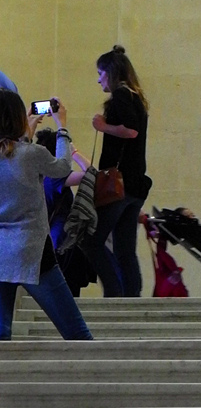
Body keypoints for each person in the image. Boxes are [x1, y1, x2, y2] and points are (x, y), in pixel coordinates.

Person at [0, 90, 91, 340]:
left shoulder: (22, 153)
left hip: (1, 252)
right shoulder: (31, 154)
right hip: (32, 249)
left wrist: (25, 132)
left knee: (1, 334)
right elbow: (62, 167)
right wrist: (62, 127)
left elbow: (13, 159)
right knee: (76, 332)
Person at [81, 45, 151, 297]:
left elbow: (130, 131)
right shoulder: (136, 97)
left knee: (91, 241)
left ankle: (114, 293)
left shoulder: (121, 95)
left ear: (110, 72)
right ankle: (131, 299)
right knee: (124, 249)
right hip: (135, 185)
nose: (99, 79)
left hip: (118, 184)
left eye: (101, 73)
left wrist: (103, 126)